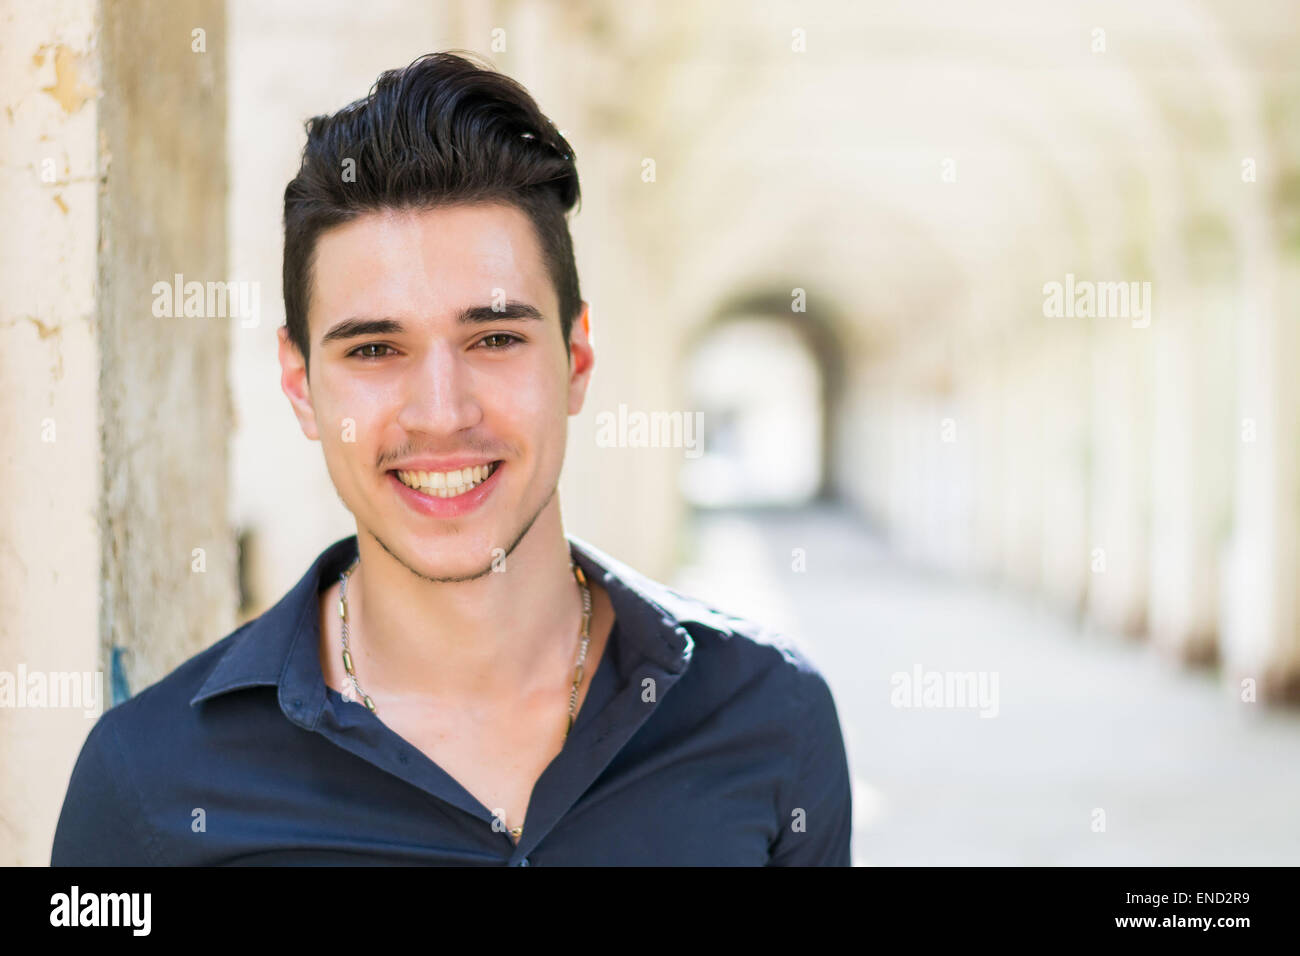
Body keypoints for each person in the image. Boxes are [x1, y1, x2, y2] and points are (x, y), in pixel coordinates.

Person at [51, 51, 852, 866]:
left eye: (495, 337)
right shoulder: (148, 786)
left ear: (575, 359)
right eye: (374, 349)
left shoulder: (769, 719)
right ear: (300, 386)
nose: (442, 414)